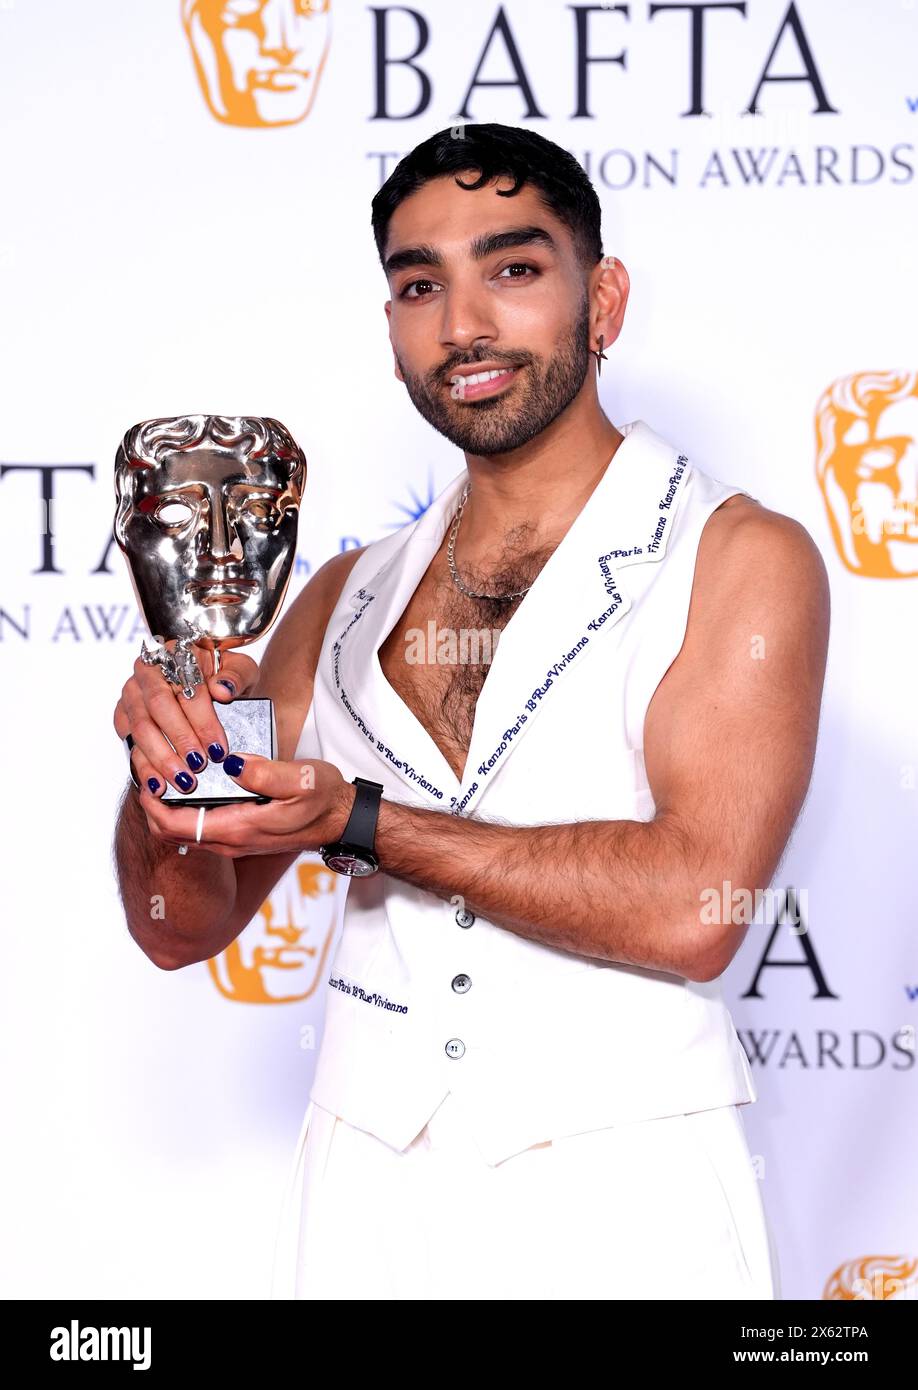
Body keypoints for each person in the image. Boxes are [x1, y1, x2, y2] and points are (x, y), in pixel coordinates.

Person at [113, 122, 829, 1300]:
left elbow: (695, 907)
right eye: (419, 285)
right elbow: (182, 925)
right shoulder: (341, 596)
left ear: (604, 299)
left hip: (629, 1202)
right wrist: (169, 771)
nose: (464, 324)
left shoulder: (737, 554)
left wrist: (359, 821)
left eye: (514, 268)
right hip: (363, 1202)